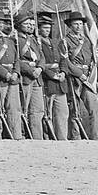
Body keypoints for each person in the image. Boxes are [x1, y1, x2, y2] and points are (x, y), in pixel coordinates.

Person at [62, 11, 98, 140]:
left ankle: (97, 138)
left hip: (88, 78)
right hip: (74, 78)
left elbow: (92, 59)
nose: (78, 26)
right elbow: (65, 62)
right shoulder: (65, 41)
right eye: (75, 24)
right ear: (70, 26)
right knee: (75, 108)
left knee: (96, 108)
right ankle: (76, 137)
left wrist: (90, 74)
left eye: (80, 24)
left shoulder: (87, 41)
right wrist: (79, 74)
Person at [0, 9, 22, 139]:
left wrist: (16, 73)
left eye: (2, 23)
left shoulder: (10, 41)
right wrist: (5, 74)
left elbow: (17, 59)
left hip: (13, 77)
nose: (1, 26)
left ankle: (15, 135)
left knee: (14, 108)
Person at [36, 11, 68, 140]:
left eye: (49, 28)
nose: (47, 30)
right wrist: (53, 76)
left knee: (62, 112)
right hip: (47, 82)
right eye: (44, 28)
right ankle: (49, 139)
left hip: (60, 83)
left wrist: (63, 73)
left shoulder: (55, 42)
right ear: (39, 29)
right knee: (47, 113)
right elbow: (41, 63)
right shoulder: (37, 43)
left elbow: (63, 60)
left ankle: (62, 138)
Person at [15, 10, 45, 140]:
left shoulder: (32, 39)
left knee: (37, 110)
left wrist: (39, 68)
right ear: (18, 25)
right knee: (23, 109)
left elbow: (41, 57)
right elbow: (16, 60)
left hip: (37, 78)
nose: (29, 26)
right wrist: (29, 70)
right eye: (25, 24)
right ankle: (22, 135)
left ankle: (37, 137)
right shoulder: (14, 40)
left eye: (29, 24)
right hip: (26, 77)